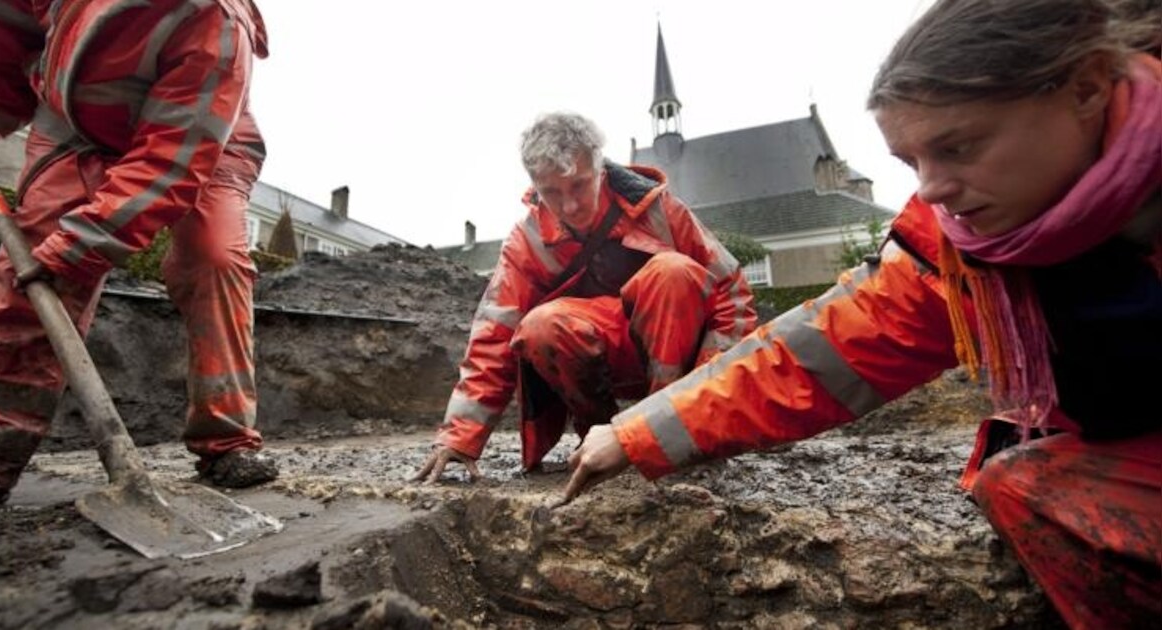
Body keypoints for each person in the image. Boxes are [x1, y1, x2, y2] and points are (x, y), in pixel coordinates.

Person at [559, 0, 1161, 627]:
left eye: (958, 146)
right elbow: (815, 355)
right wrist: (638, 431)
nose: (929, 188)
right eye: (911, 163)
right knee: (1017, 485)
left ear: (1087, 88)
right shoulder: (955, 247)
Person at [0, 0, 278, 510]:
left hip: (206, 141)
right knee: (27, 273)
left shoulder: (212, 17)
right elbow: (4, 55)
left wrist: (80, 245)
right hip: (75, 130)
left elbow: (170, 161)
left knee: (213, 258)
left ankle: (227, 440)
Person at [414, 112, 758, 482]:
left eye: (579, 185)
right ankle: (599, 442)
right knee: (541, 325)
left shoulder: (660, 210)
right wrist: (460, 436)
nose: (570, 206)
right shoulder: (526, 242)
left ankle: (669, 433)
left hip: (676, 357)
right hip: (601, 357)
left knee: (672, 272)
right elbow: (494, 332)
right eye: (552, 193)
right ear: (534, 187)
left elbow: (731, 298)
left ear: (601, 170)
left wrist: (709, 398)